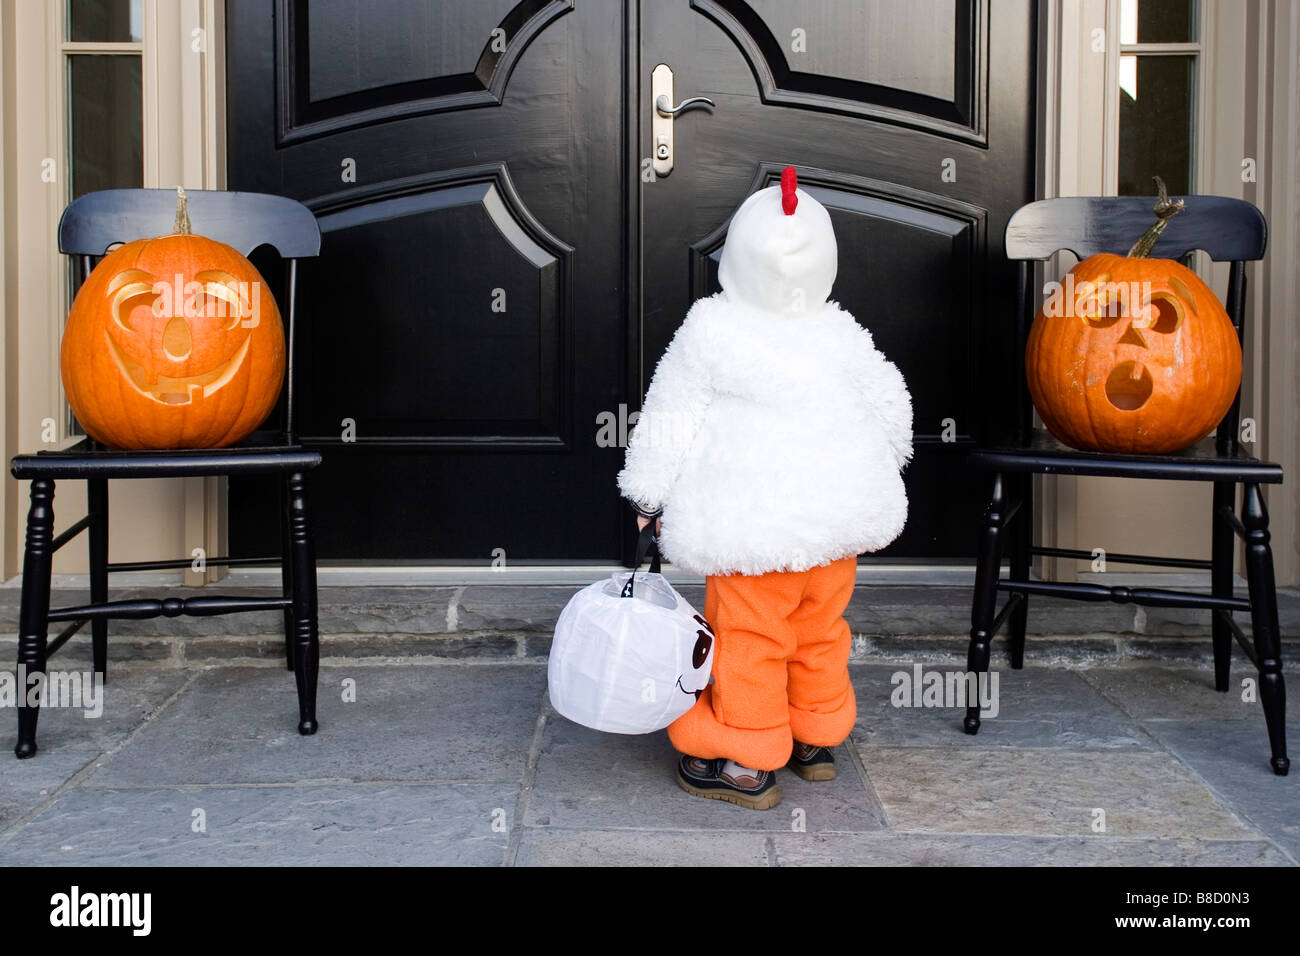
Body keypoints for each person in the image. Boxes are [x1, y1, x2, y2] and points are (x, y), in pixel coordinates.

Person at [617, 167, 913, 810]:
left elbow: (670, 419)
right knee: (819, 631)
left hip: (752, 531)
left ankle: (747, 759)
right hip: (836, 528)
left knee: (750, 643)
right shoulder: (838, 330)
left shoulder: (710, 329)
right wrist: (873, 468)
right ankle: (814, 737)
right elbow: (894, 406)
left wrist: (647, 498)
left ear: (736, 260)